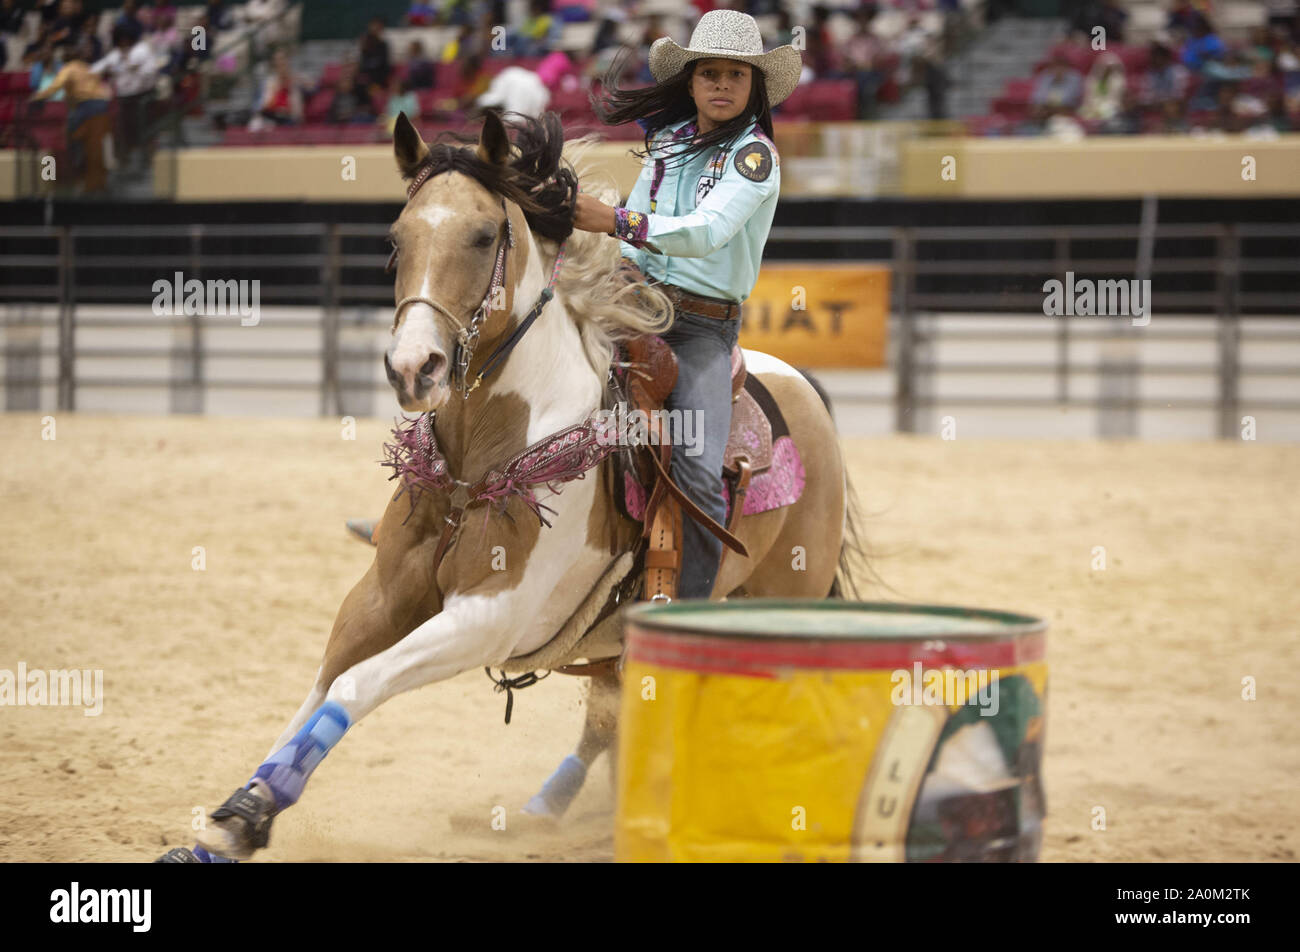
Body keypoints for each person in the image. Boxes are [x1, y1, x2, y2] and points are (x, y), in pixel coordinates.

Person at [570, 9, 800, 600]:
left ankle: (689, 611)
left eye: (735, 75)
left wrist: (614, 220)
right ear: (691, 83)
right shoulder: (668, 145)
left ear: (753, 88)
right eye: (710, 74)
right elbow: (645, 238)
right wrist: (621, 267)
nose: (722, 85)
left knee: (697, 468)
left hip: (701, 329)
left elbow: (703, 231)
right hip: (638, 304)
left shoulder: (756, 158)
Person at [30, 35, 113, 192]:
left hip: (88, 108)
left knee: (72, 137)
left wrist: (37, 96)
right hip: (101, 107)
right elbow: (102, 89)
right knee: (93, 144)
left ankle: (77, 166)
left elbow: (55, 87)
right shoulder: (86, 67)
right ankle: (90, 176)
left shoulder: (69, 68)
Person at [91, 24, 158, 175]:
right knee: (124, 133)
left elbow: (153, 69)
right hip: (123, 99)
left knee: (145, 132)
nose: (124, 43)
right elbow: (96, 68)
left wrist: (137, 68)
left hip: (142, 98)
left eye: (126, 40)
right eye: (120, 41)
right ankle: (125, 164)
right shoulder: (115, 54)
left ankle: (149, 162)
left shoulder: (142, 50)